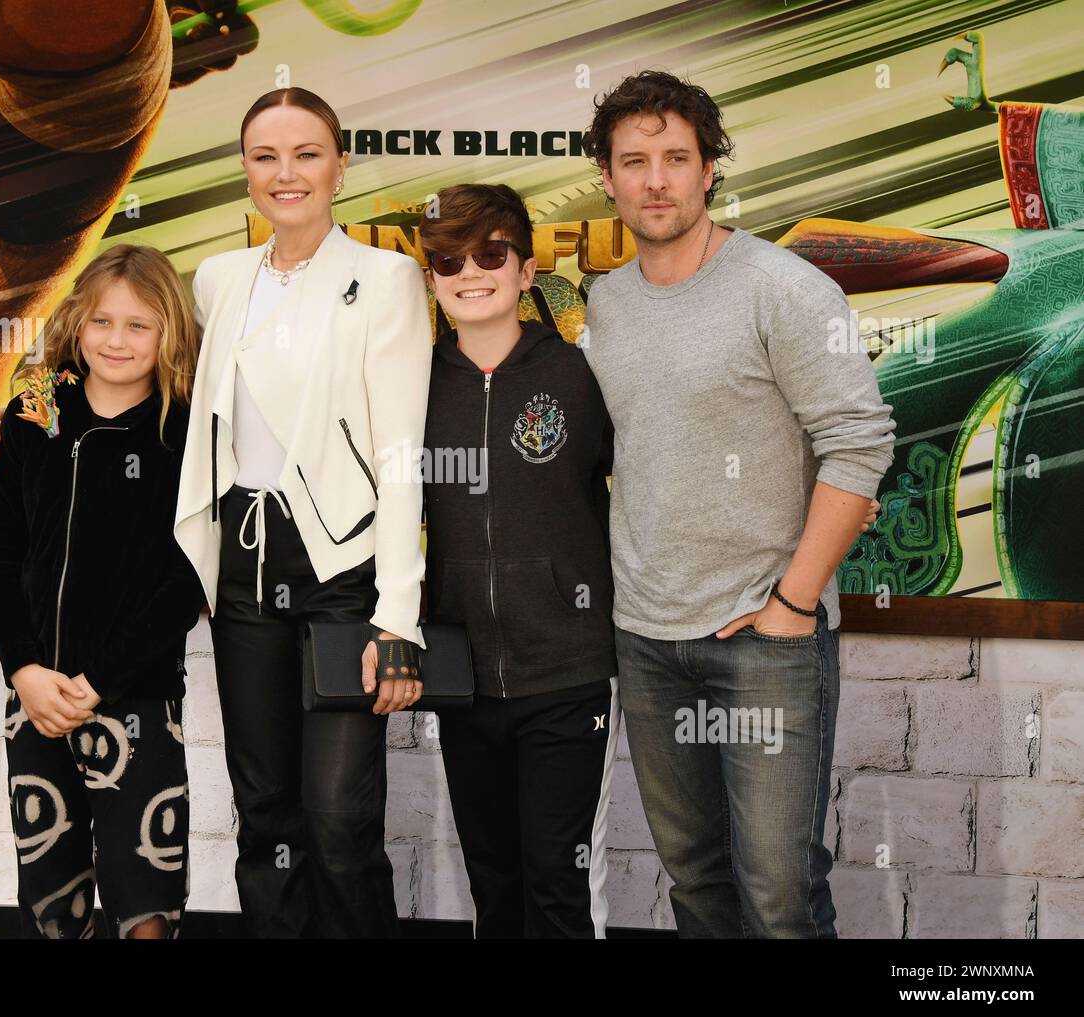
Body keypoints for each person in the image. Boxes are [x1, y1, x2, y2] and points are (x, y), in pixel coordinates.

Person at [580, 70, 896, 938]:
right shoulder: (606, 303)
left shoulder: (782, 288)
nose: (656, 181)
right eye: (634, 161)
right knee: (696, 884)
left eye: (676, 159)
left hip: (767, 640)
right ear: (607, 178)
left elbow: (860, 442)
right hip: (647, 637)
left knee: (779, 895)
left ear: (709, 168)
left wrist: (794, 601)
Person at [173, 87, 432, 938]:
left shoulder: (386, 278)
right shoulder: (219, 278)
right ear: (246, 169)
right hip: (242, 573)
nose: (286, 173)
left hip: (341, 573)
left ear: (340, 166)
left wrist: (398, 617)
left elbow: (400, 455)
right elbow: (134, 363)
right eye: (266, 156)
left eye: (307, 154)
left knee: (339, 818)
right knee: (265, 812)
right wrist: (29, 421)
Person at [0, 243, 206, 939]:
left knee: (147, 895)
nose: (116, 340)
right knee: (53, 894)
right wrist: (24, 670)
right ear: (78, 322)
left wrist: (100, 680)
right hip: (37, 698)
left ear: (170, 332)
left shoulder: (185, 427)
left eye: (139, 325)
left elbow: (184, 583)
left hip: (138, 698)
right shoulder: (36, 410)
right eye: (102, 321)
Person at [418, 183, 621, 937]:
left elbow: (654, 482)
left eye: (491, 254)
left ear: (526, 270)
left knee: (560, 890)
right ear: (431, 278)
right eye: (449, 261)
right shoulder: (411, 383)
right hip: (462, 675)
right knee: (493, 887)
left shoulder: (579, 374)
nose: (470, 273)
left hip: (569, 670)